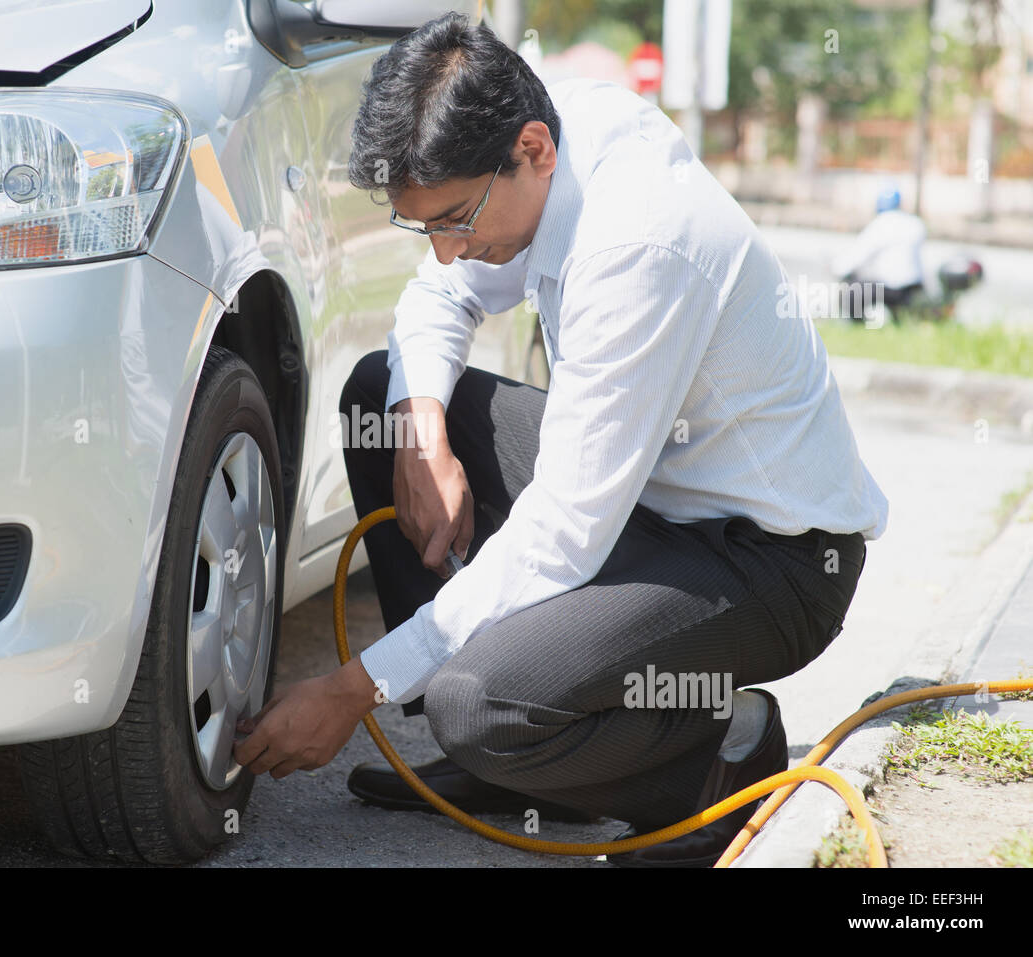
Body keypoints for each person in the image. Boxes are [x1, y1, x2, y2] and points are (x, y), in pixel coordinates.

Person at [232, 12, 889, 866]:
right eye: (422, 226)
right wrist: (423, 425)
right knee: (385, 399)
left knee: (479, 702)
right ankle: (530, 772)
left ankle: (718, 760)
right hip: (649, 499)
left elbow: (565, 533)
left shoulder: (639, 240)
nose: (444, 252)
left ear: (533, 150)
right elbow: (440, 299)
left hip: (771, 561)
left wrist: (352, 688)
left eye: (455, 221)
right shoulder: (535, 132)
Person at [832, 186, 927, 320]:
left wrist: (838, 268)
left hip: (891, 288)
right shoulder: (916, 223)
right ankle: (898, 318)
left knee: (853, 289)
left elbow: (855, 257)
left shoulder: (881, 224)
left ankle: (857, 323)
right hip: (914, 288)